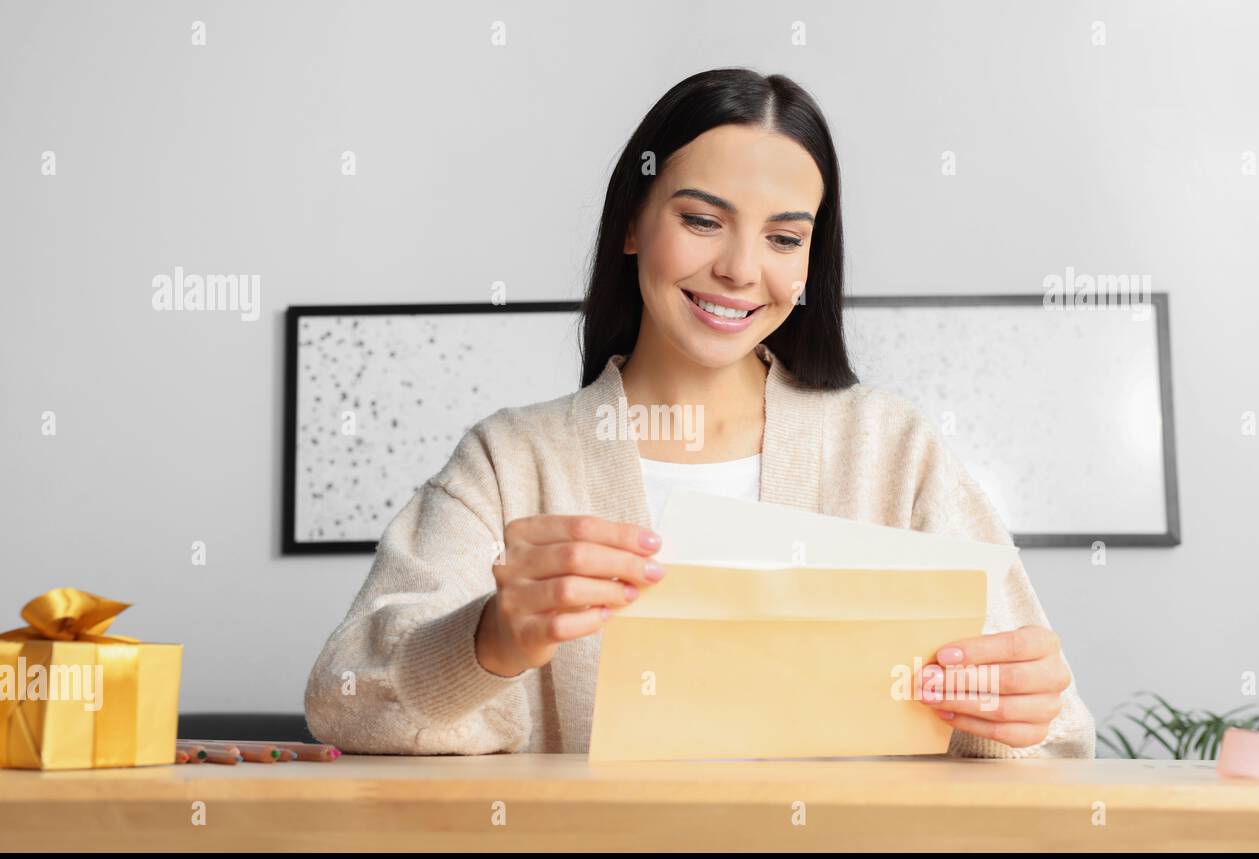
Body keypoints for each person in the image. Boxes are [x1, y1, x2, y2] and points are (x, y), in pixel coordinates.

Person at [304, 68, 1095, 759]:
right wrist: (490, 642)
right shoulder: (512, 461)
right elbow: (344, 698)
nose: (741, 270)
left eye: (785, 238)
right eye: (702, 221)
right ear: (631, 225)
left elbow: (1058, 733)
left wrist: (1004, 716)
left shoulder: (892, 451)